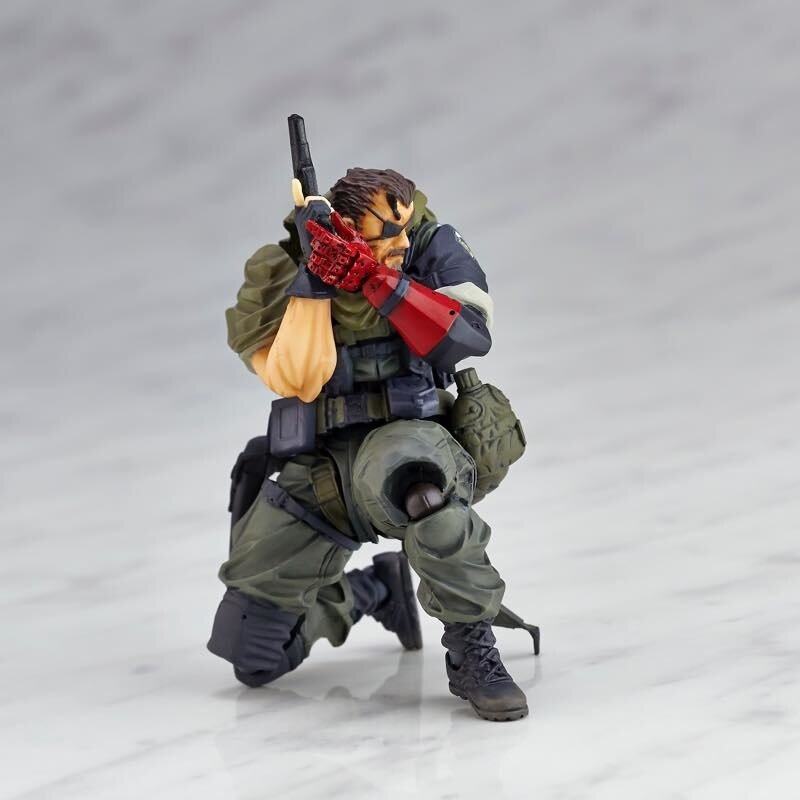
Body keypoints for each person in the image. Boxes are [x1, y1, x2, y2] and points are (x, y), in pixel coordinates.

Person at [209, 167, 529, 721]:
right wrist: (315, 280)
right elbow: (296, 378)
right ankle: (376, 591)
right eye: (385, 231)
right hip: (318, 461)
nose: (400, 241)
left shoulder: (431, 246)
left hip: (405, 436)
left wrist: (376, 279)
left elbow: (466, 337)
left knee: (422, 489)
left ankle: (473, 651)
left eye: (402, 225)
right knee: (253, 655)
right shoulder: (277, 267)